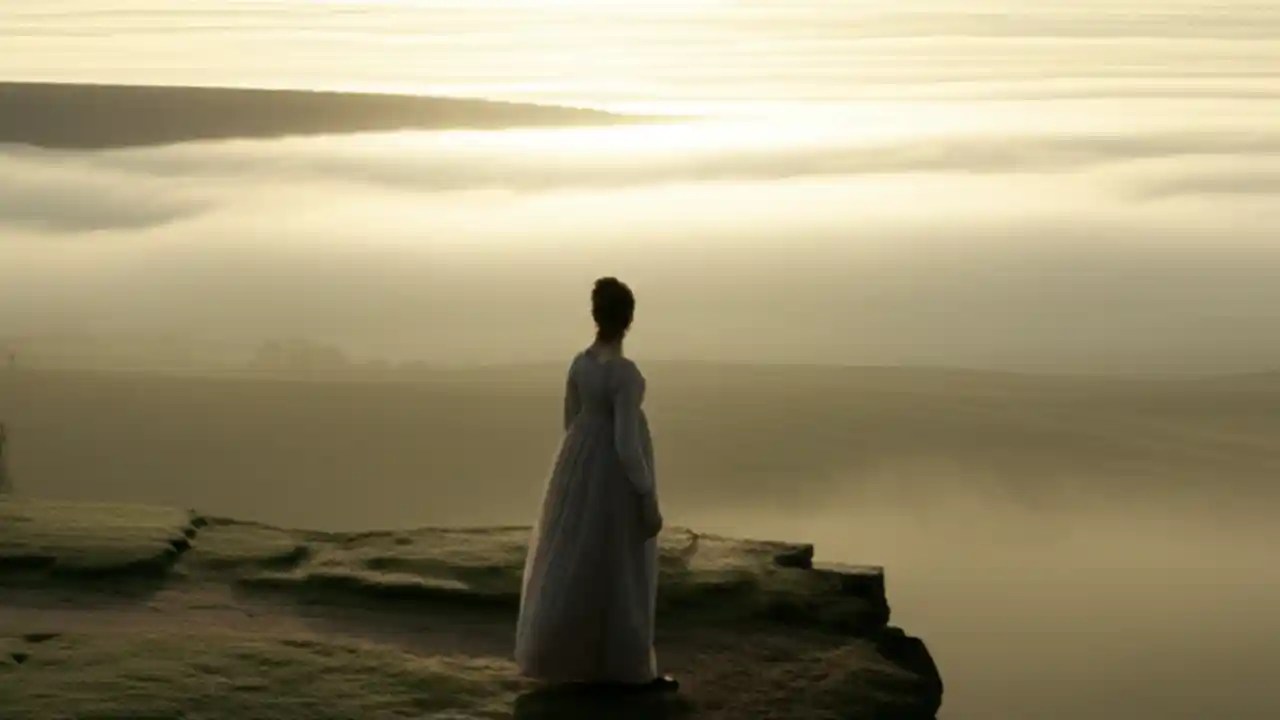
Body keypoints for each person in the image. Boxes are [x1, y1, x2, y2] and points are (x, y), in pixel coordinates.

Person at [515, 277, 676, 691]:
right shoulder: (625, 375)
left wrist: (578, 466)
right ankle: (628, 666)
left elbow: (571, 420)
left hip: (580, 466)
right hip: (614, 480)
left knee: (578, 560)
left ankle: (570, 657)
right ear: (628, 320)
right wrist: (645, 494)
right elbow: (626, 443)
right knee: (621, 565)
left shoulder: (580, 365)